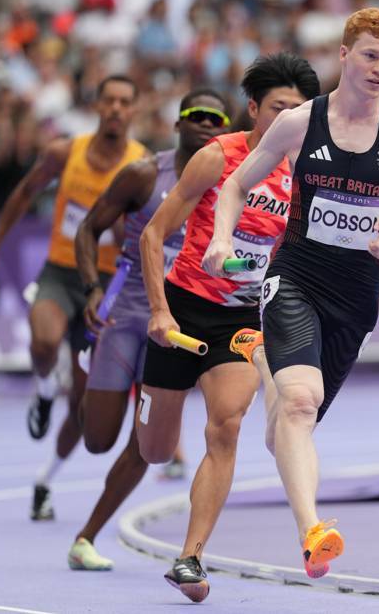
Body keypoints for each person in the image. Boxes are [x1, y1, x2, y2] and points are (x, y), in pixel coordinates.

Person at [202, 8, 379, 578]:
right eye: (370, 56)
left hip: (356, 297)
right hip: (296, 277)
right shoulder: (299, 123)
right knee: (300, 402)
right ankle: (313, 532)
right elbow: (236, 185)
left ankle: (264, 358)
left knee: (286, 431)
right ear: (344, 55)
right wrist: (221, 237)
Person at [140, 53, 320, 602]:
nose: (288, 118)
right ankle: (147, 411)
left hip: (240, 320)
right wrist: (159, 311)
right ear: (254, 108)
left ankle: (190, 557)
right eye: (278, 108)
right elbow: (153, 235)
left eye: (298, 110)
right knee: (154, 449)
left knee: (226, 426)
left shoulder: (306, 175)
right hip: (182, 309)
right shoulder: (218, 157)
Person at [66, 87, 230, 570]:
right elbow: (87, 228)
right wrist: (92, 289)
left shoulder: (234, 182)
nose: (206, 124)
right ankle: (82, 378)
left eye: (215, 119)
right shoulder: (143, 175)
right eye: (196, 115)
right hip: (130, 317)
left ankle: (85, 537)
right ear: (178, 124)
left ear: (225, 130)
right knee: (97, 439)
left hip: (176, 329)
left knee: (145, 446)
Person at [0, 75, 145, 520]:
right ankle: (45, 389)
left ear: (134, 110)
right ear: (97, 106)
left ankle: (44, 480)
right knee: (44, 342)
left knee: (82, 408)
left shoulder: (141, 165)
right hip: (59, 271)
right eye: (109, 100)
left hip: (105, 286)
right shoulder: (64, 153)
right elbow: (23, 193)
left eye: (124, 102)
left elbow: (142, 232)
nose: (116, 108)